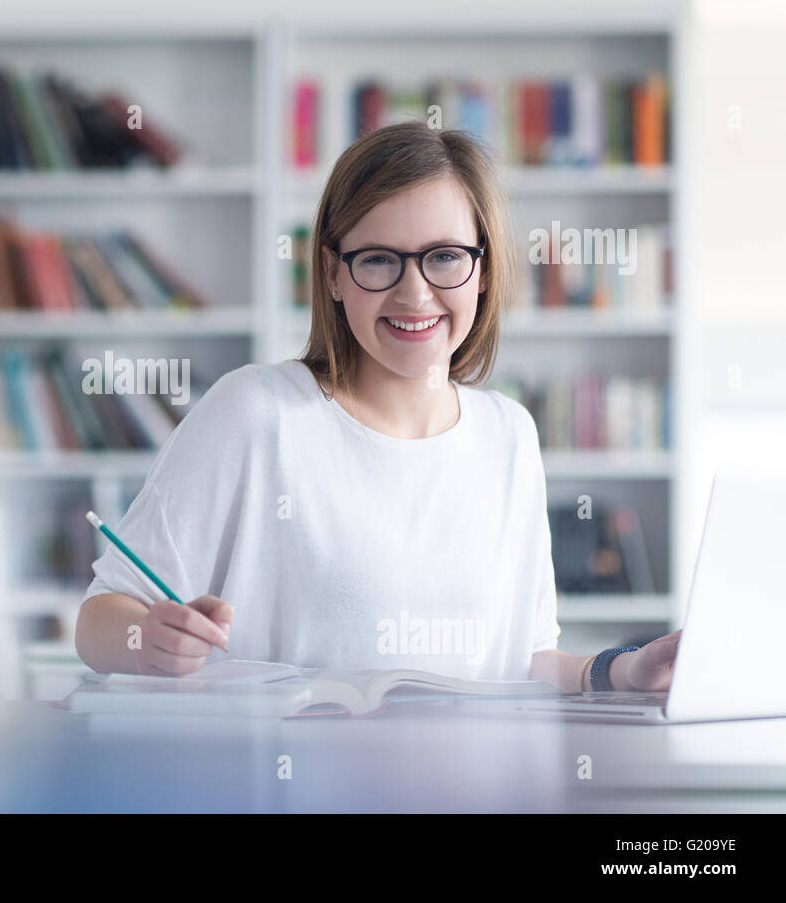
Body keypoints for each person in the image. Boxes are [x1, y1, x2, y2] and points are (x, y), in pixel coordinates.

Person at [73, 120, 679, 693]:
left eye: (444, 256)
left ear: (485, 270)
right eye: (379, 260)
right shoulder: (256, 412)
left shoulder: (509, 433)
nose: (414, 293)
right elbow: (99, 621)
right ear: (334, 274)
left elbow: (523, 662)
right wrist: (142, 638)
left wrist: (621, 671)